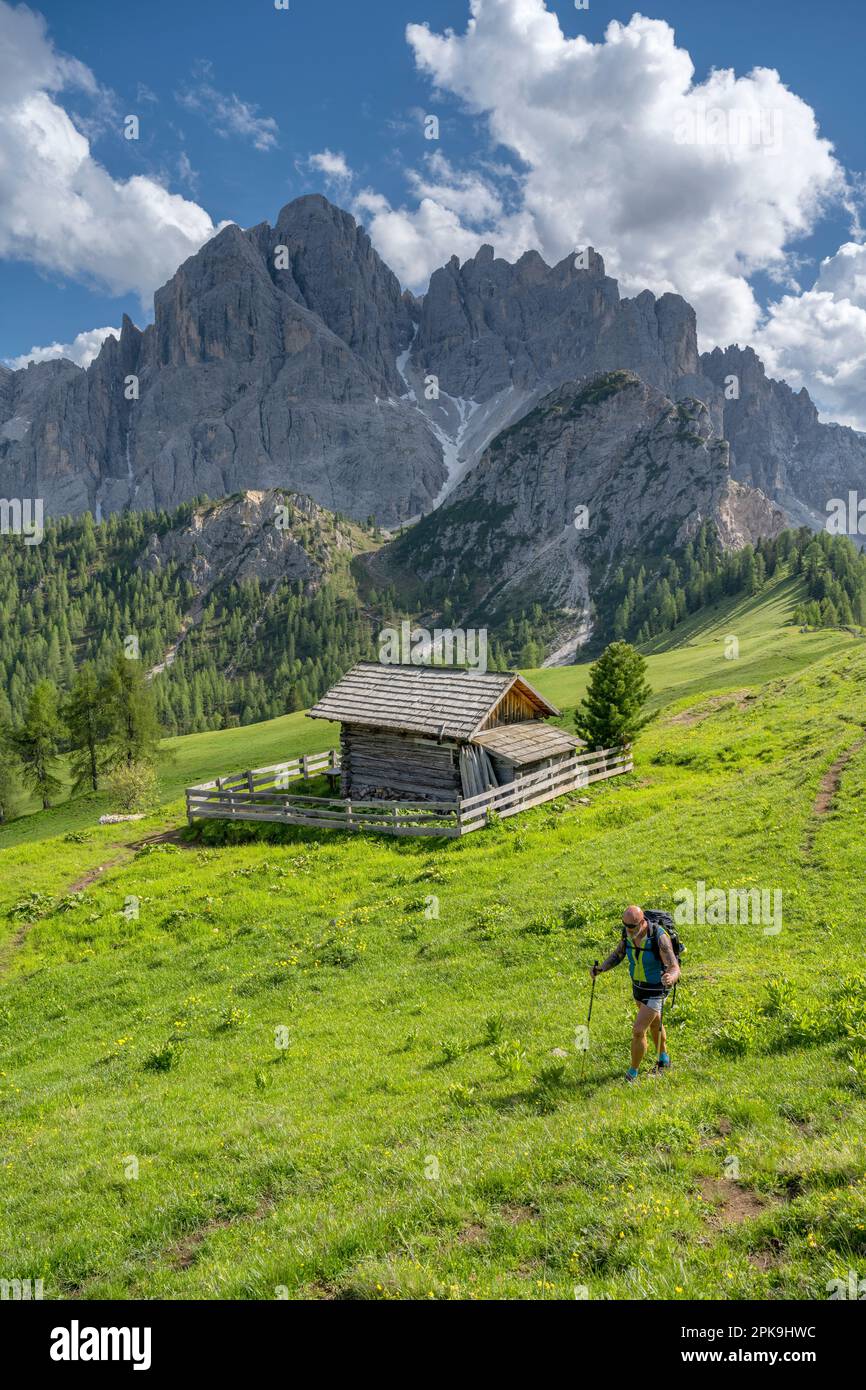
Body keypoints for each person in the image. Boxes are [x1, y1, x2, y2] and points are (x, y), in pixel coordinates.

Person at [592, 904, 680, 1082]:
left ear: (642, 922)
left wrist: (670, 977)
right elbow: (618, 955)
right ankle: (664, 1058)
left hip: (656, 988)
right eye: (625, 925)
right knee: (655, 1023)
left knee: (639, 1030)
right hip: (638, 987)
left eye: (631, 926)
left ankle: (632, 1073)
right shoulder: (628, 934)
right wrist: (601, 968)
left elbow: (674, 967)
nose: (628, 929)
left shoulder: (659, 937)